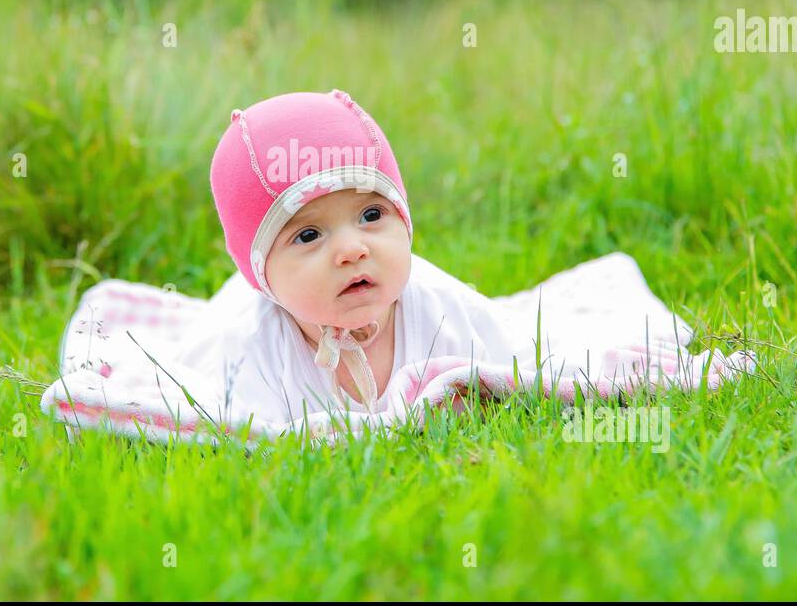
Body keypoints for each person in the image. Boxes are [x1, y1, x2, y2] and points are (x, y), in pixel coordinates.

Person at [41, 89, 754, 445]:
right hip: (229, 324)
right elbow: (223, 418)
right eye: (308, 234)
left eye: (373, 216)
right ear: (261, 270)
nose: (352, 248)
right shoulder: (245, 338)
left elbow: (524, 362)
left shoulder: (435, 302)